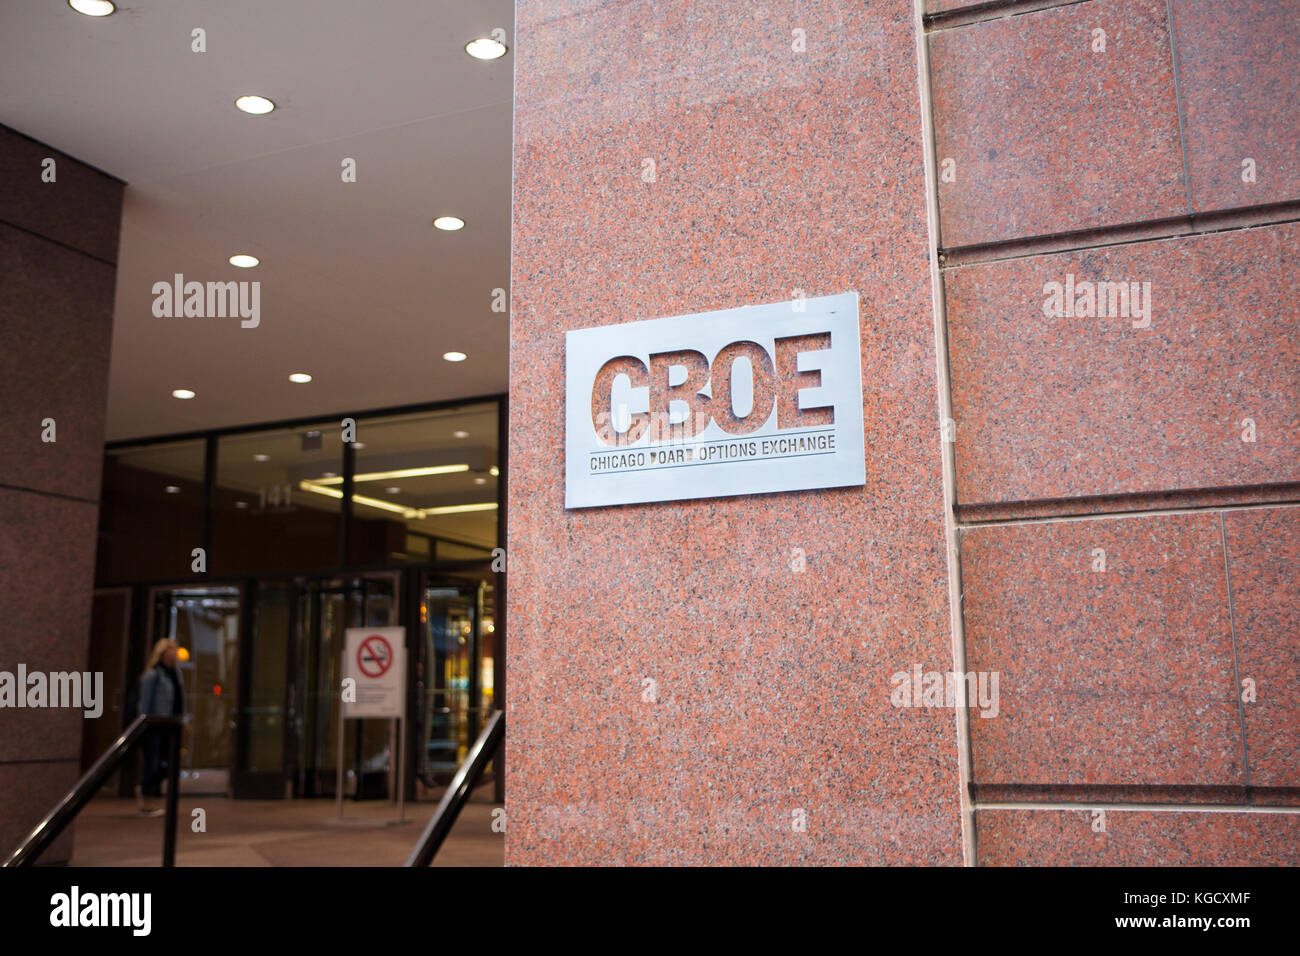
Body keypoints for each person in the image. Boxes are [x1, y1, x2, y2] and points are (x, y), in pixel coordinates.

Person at [137, 639, 185, 816]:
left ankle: (153, 796)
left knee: (167, 764)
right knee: (152, 763)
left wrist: (183, 720)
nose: (174, 652)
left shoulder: (176, 673)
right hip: (154, 726)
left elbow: (180, 699)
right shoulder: (153, 674)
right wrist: (144, 724)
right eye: (170, 649)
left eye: (175, 648)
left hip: (170, 726)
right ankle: (147, 800)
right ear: (162, 652)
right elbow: (144, 703)